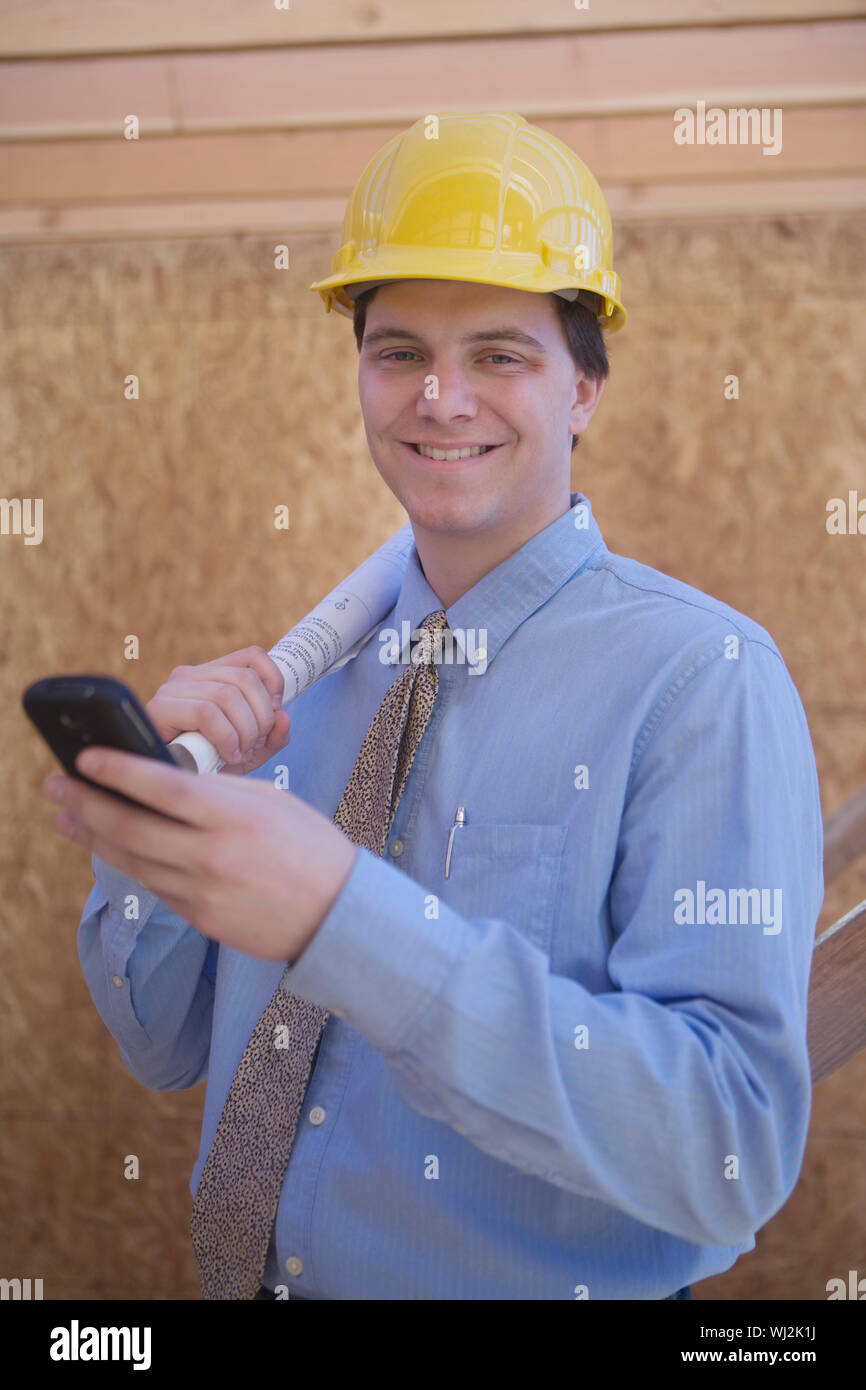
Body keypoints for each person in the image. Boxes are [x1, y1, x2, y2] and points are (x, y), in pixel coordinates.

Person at [44, 110, 824, 1301]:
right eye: (398, 350)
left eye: (500, 355)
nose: (439, 398)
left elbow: (729, 1151)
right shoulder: (295, 695)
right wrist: (152, 830)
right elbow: (165, 1048)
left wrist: (342, 914)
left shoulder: (700, 682)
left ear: (585, 389)